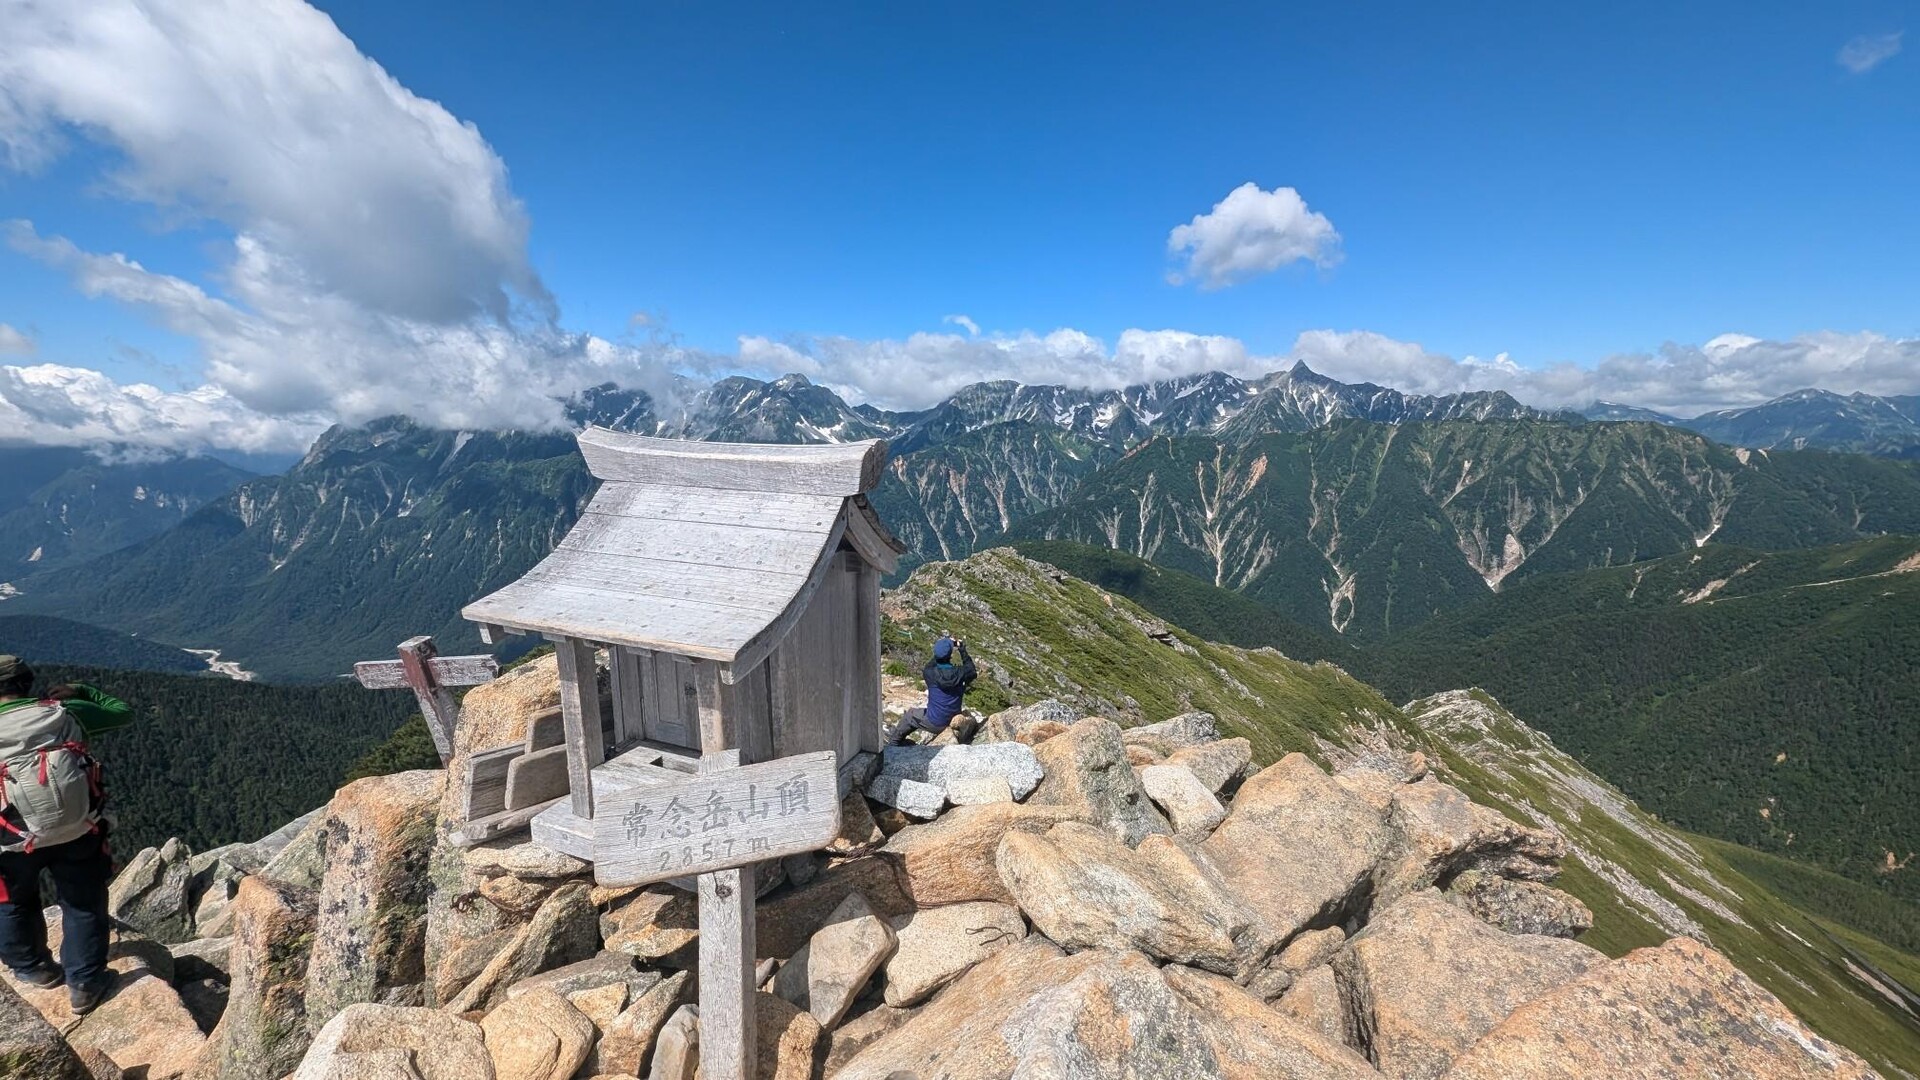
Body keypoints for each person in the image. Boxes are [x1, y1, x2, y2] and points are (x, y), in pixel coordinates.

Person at [0, 655, 131, 1015]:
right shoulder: (64, 711)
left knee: (12, 901)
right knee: (83, 901)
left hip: (8, 838)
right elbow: (122, 712)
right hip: (77, 827)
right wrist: (82, 691)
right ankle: (85, 984)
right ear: (26, 683)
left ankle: (33, 969)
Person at [884, 635, 977, 746]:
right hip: (952, 719)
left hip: (935, 722)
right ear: (950, 655)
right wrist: (961, 649)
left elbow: (934, 661)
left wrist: (944, 647)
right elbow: (972, 670)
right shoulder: (960, 673)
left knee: (910, 715)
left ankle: (894, 744)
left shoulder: (929, 672)